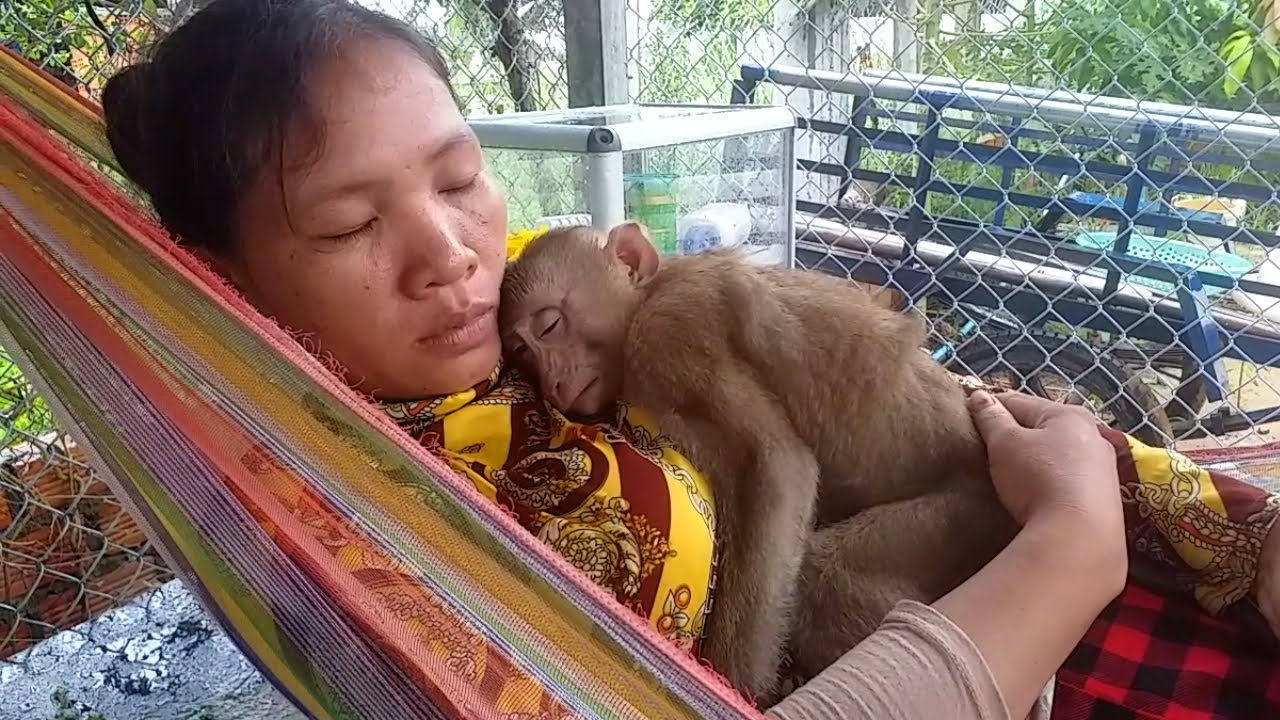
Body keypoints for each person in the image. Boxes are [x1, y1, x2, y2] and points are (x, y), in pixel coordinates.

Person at [97, 0, 1280, 717]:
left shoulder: (524, 291)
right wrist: (1070, 551)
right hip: (996, 621)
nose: (450, 254)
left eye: (460, 178)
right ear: (222, 281)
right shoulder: (346, 512)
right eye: (351, 225)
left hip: (997, 521)